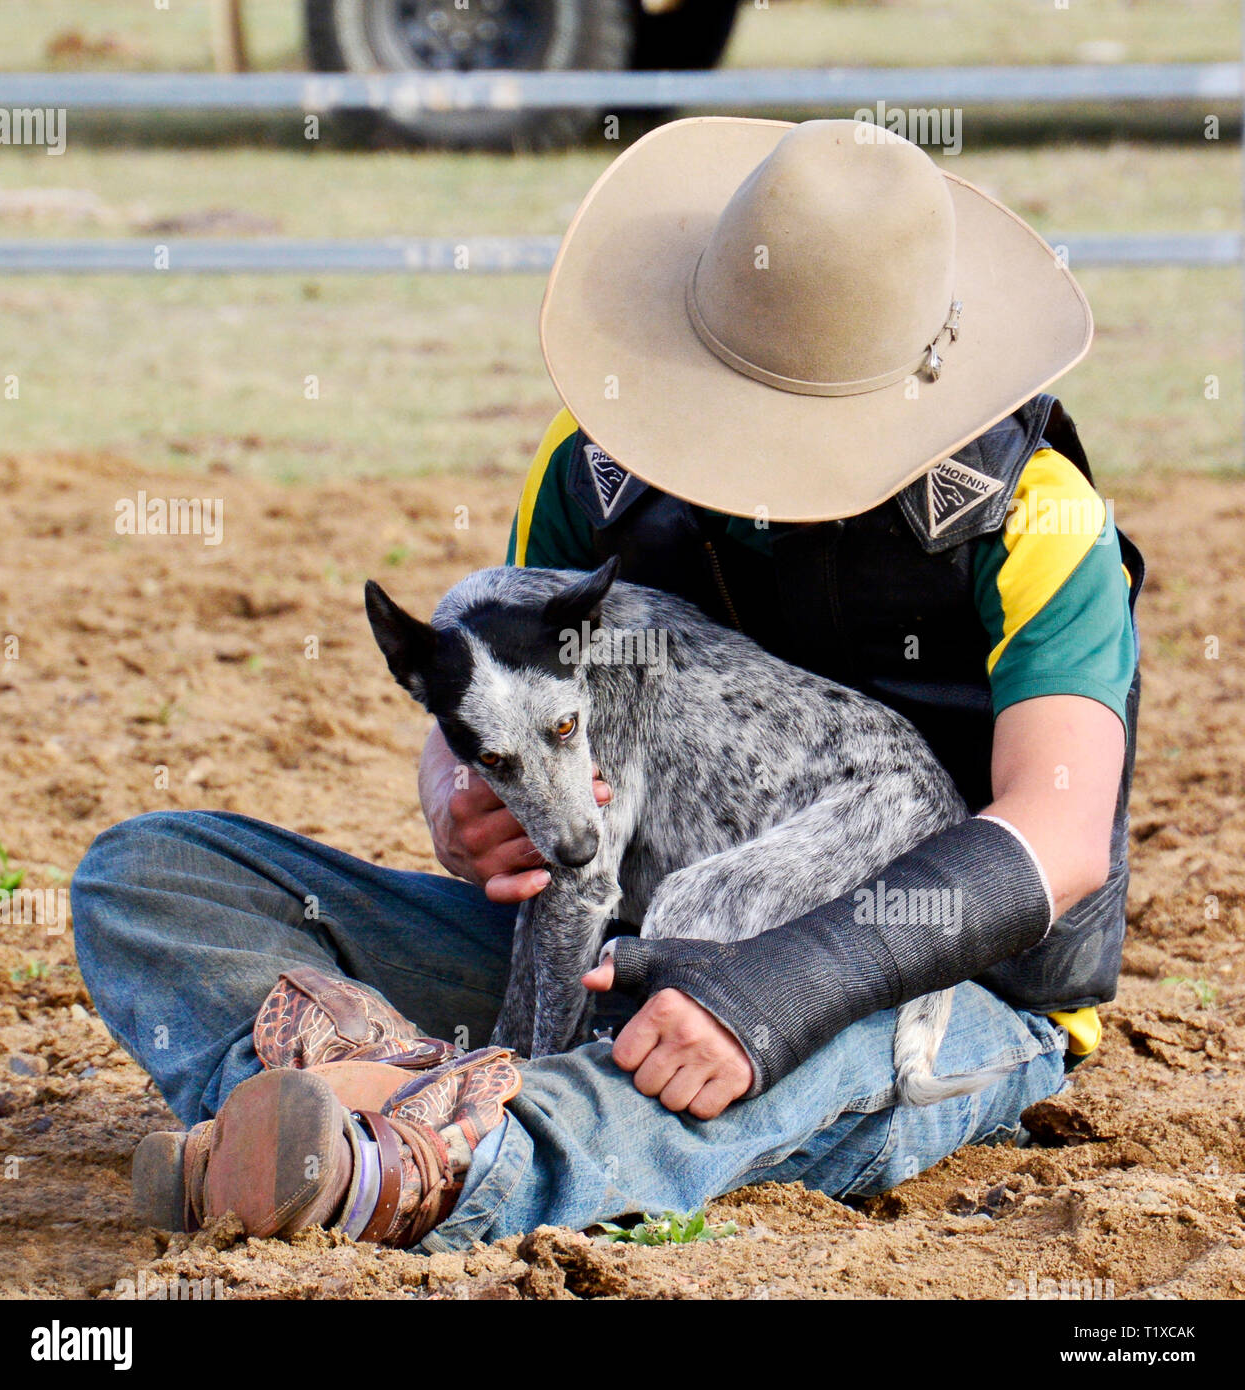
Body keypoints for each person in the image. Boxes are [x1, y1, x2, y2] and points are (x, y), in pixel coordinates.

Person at [70, 117, 1142, 1253]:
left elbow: (1060, 834)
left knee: (716, 1083)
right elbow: (493, 679)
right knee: (152, 877)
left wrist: (775, 995)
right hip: (608, 941)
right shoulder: (605, 465)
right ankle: (359, 1098)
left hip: (926, 991)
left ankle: (420, 1160)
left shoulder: (1036, 516)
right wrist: (453, 795)